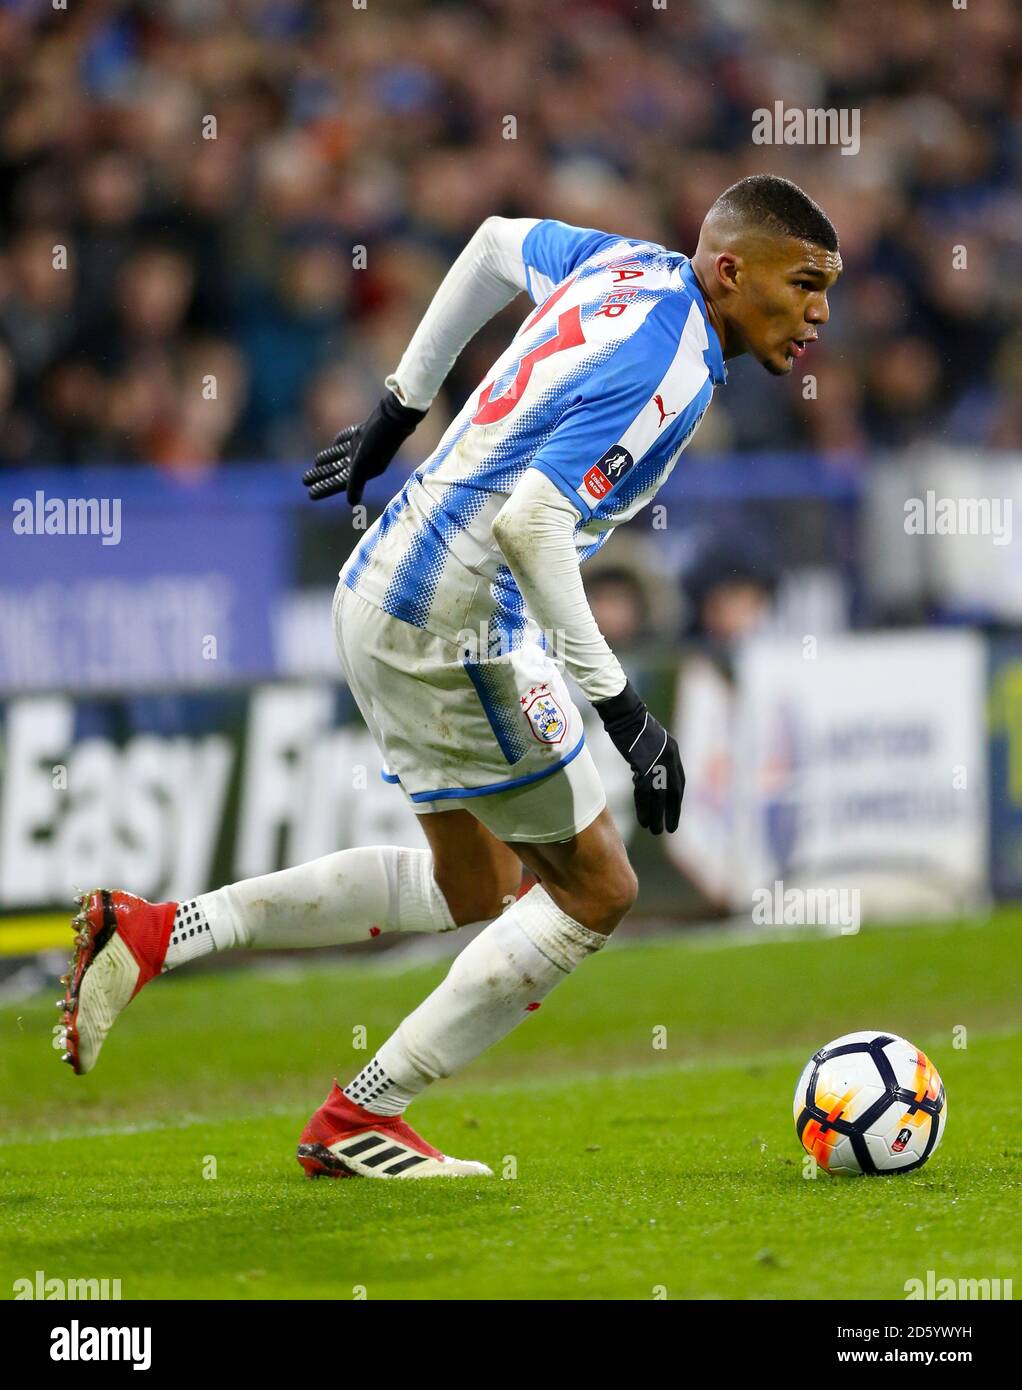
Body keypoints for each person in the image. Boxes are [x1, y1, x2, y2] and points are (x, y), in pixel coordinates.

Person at [59, 175, 841, 1179]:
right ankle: (358, 1115)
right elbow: (531, 525)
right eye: (804, 282)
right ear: (730, 271)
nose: (818, 311)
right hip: (456, 626)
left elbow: (485, 244)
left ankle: (157, 930)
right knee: (598, 887)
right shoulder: (674, 366)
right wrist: (625, 711)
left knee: (470, 881)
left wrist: (398, 406)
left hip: (376, 586)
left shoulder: (624, 267)